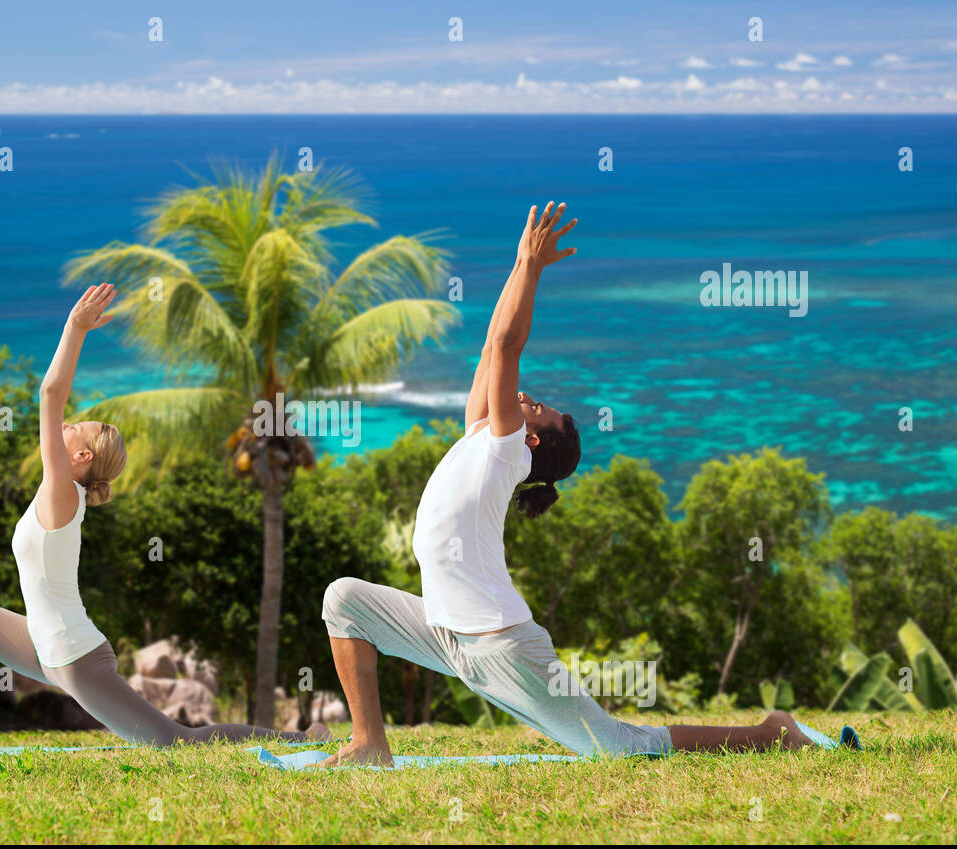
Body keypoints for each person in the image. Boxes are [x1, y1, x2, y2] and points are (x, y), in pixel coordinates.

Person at [316, 202, 811, 767]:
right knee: (344, 599)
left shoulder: (505, 451)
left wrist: (533, 268)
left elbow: (507, 348)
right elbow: (488, 351)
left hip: (503, 647)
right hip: (446, 633)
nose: (526, 398)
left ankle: (772, 733)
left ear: (533, 442)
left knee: (620, 748)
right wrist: (519, 263)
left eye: (538, 409)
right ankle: (369, 744)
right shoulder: (485, 432)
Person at [0, 282, 327, 750]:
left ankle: (299, 738)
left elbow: (49, 395)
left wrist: (75, 328)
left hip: (76, 657)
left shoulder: (61, 493)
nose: (65, 425)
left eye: (75, 429)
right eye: (69, 423)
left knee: (177, 743)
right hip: (40, 647)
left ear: (82, 456)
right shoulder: (56, 492)